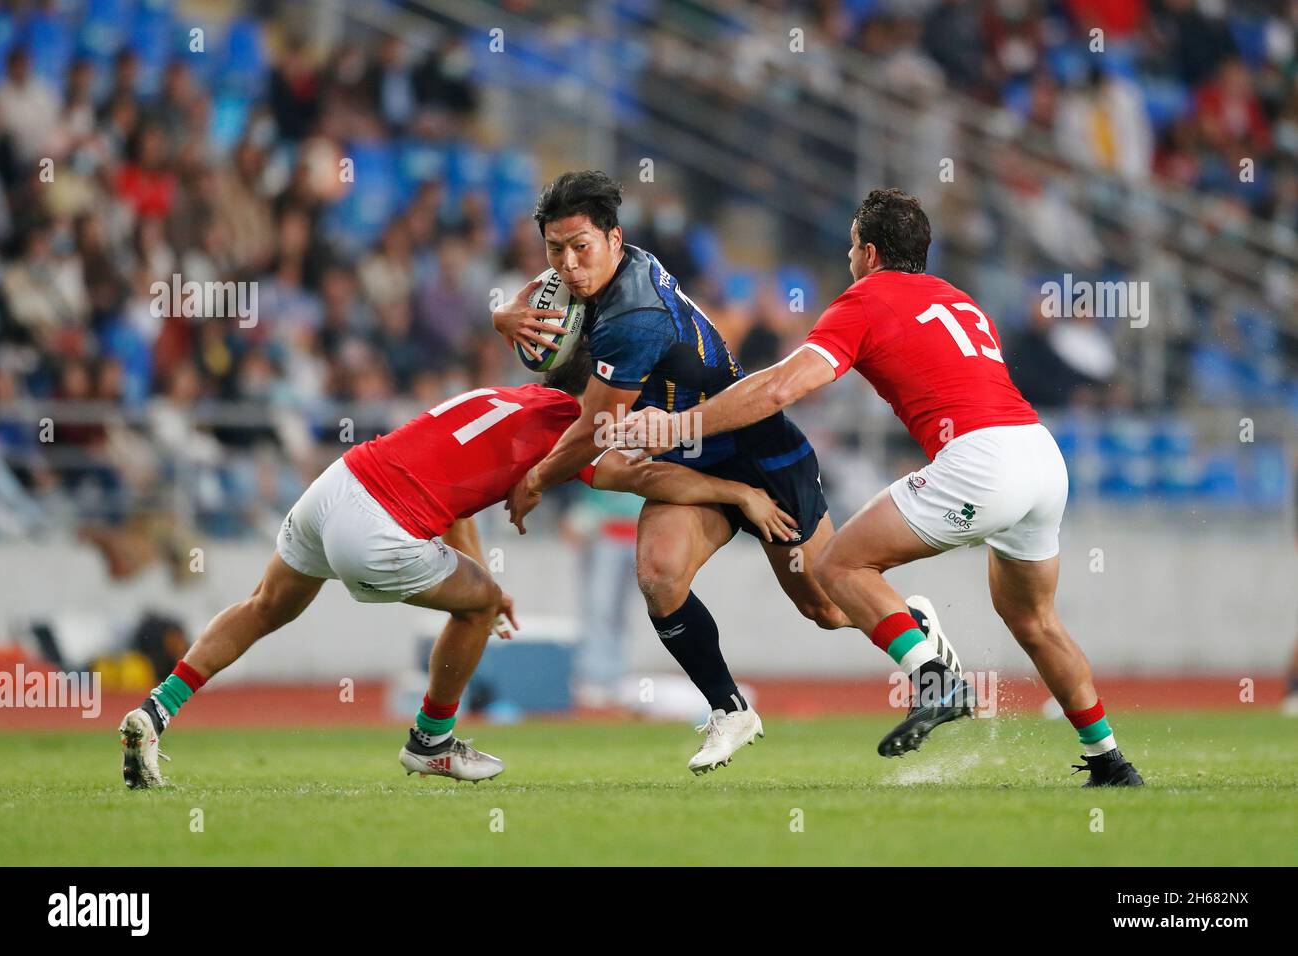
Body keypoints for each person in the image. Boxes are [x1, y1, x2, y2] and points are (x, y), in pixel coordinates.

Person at [616, 188, 1144, 787]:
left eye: (850, 246)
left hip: (981, 460)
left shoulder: (864, 299)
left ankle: (935, 679)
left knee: (838, 568)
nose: (848, 258)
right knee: (1034, 620)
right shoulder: (959, 299)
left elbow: (783, 388)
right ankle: (1109, 760)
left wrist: (679, 423)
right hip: (1041, 456)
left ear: (868, 252)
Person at [116, 344, 798, 789]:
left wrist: (483, 578)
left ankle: (157, 710)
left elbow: (458, 495)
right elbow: (649, 481)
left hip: (337, 486)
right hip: (379, 526)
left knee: (265, 606)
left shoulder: (498, 398)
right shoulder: (571, 426)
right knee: (472, 607)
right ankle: (431, 740)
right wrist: (736, 491)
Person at [494, 170, 965, 774]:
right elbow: (539, 296)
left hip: (760, 451)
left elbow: (594, 432)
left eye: (579, 248)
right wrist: (503, 317)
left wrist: (534, 479)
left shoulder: (633, 317)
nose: (566, 265)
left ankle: (914, 625)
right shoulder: (603, 267)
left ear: (613, 239)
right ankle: (730, 710)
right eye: (555, 250)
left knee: (826, 608)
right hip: (692, 458)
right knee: (660, 575)